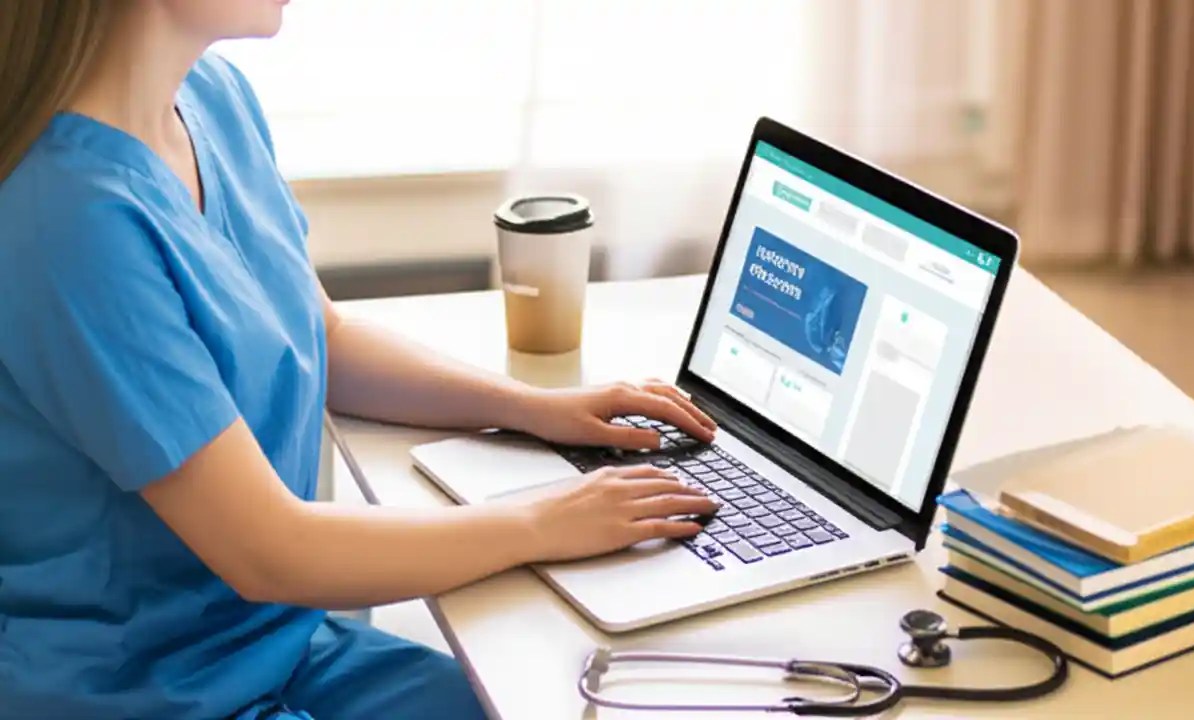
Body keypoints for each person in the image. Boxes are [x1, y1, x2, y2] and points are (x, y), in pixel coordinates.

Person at [0, 2, 720, 718]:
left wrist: (529, 406)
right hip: (140, 693)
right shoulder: (69, 218)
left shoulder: (211, 99)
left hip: (279, 644)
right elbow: (269, 551)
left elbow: (326, 338)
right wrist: (543, 523)